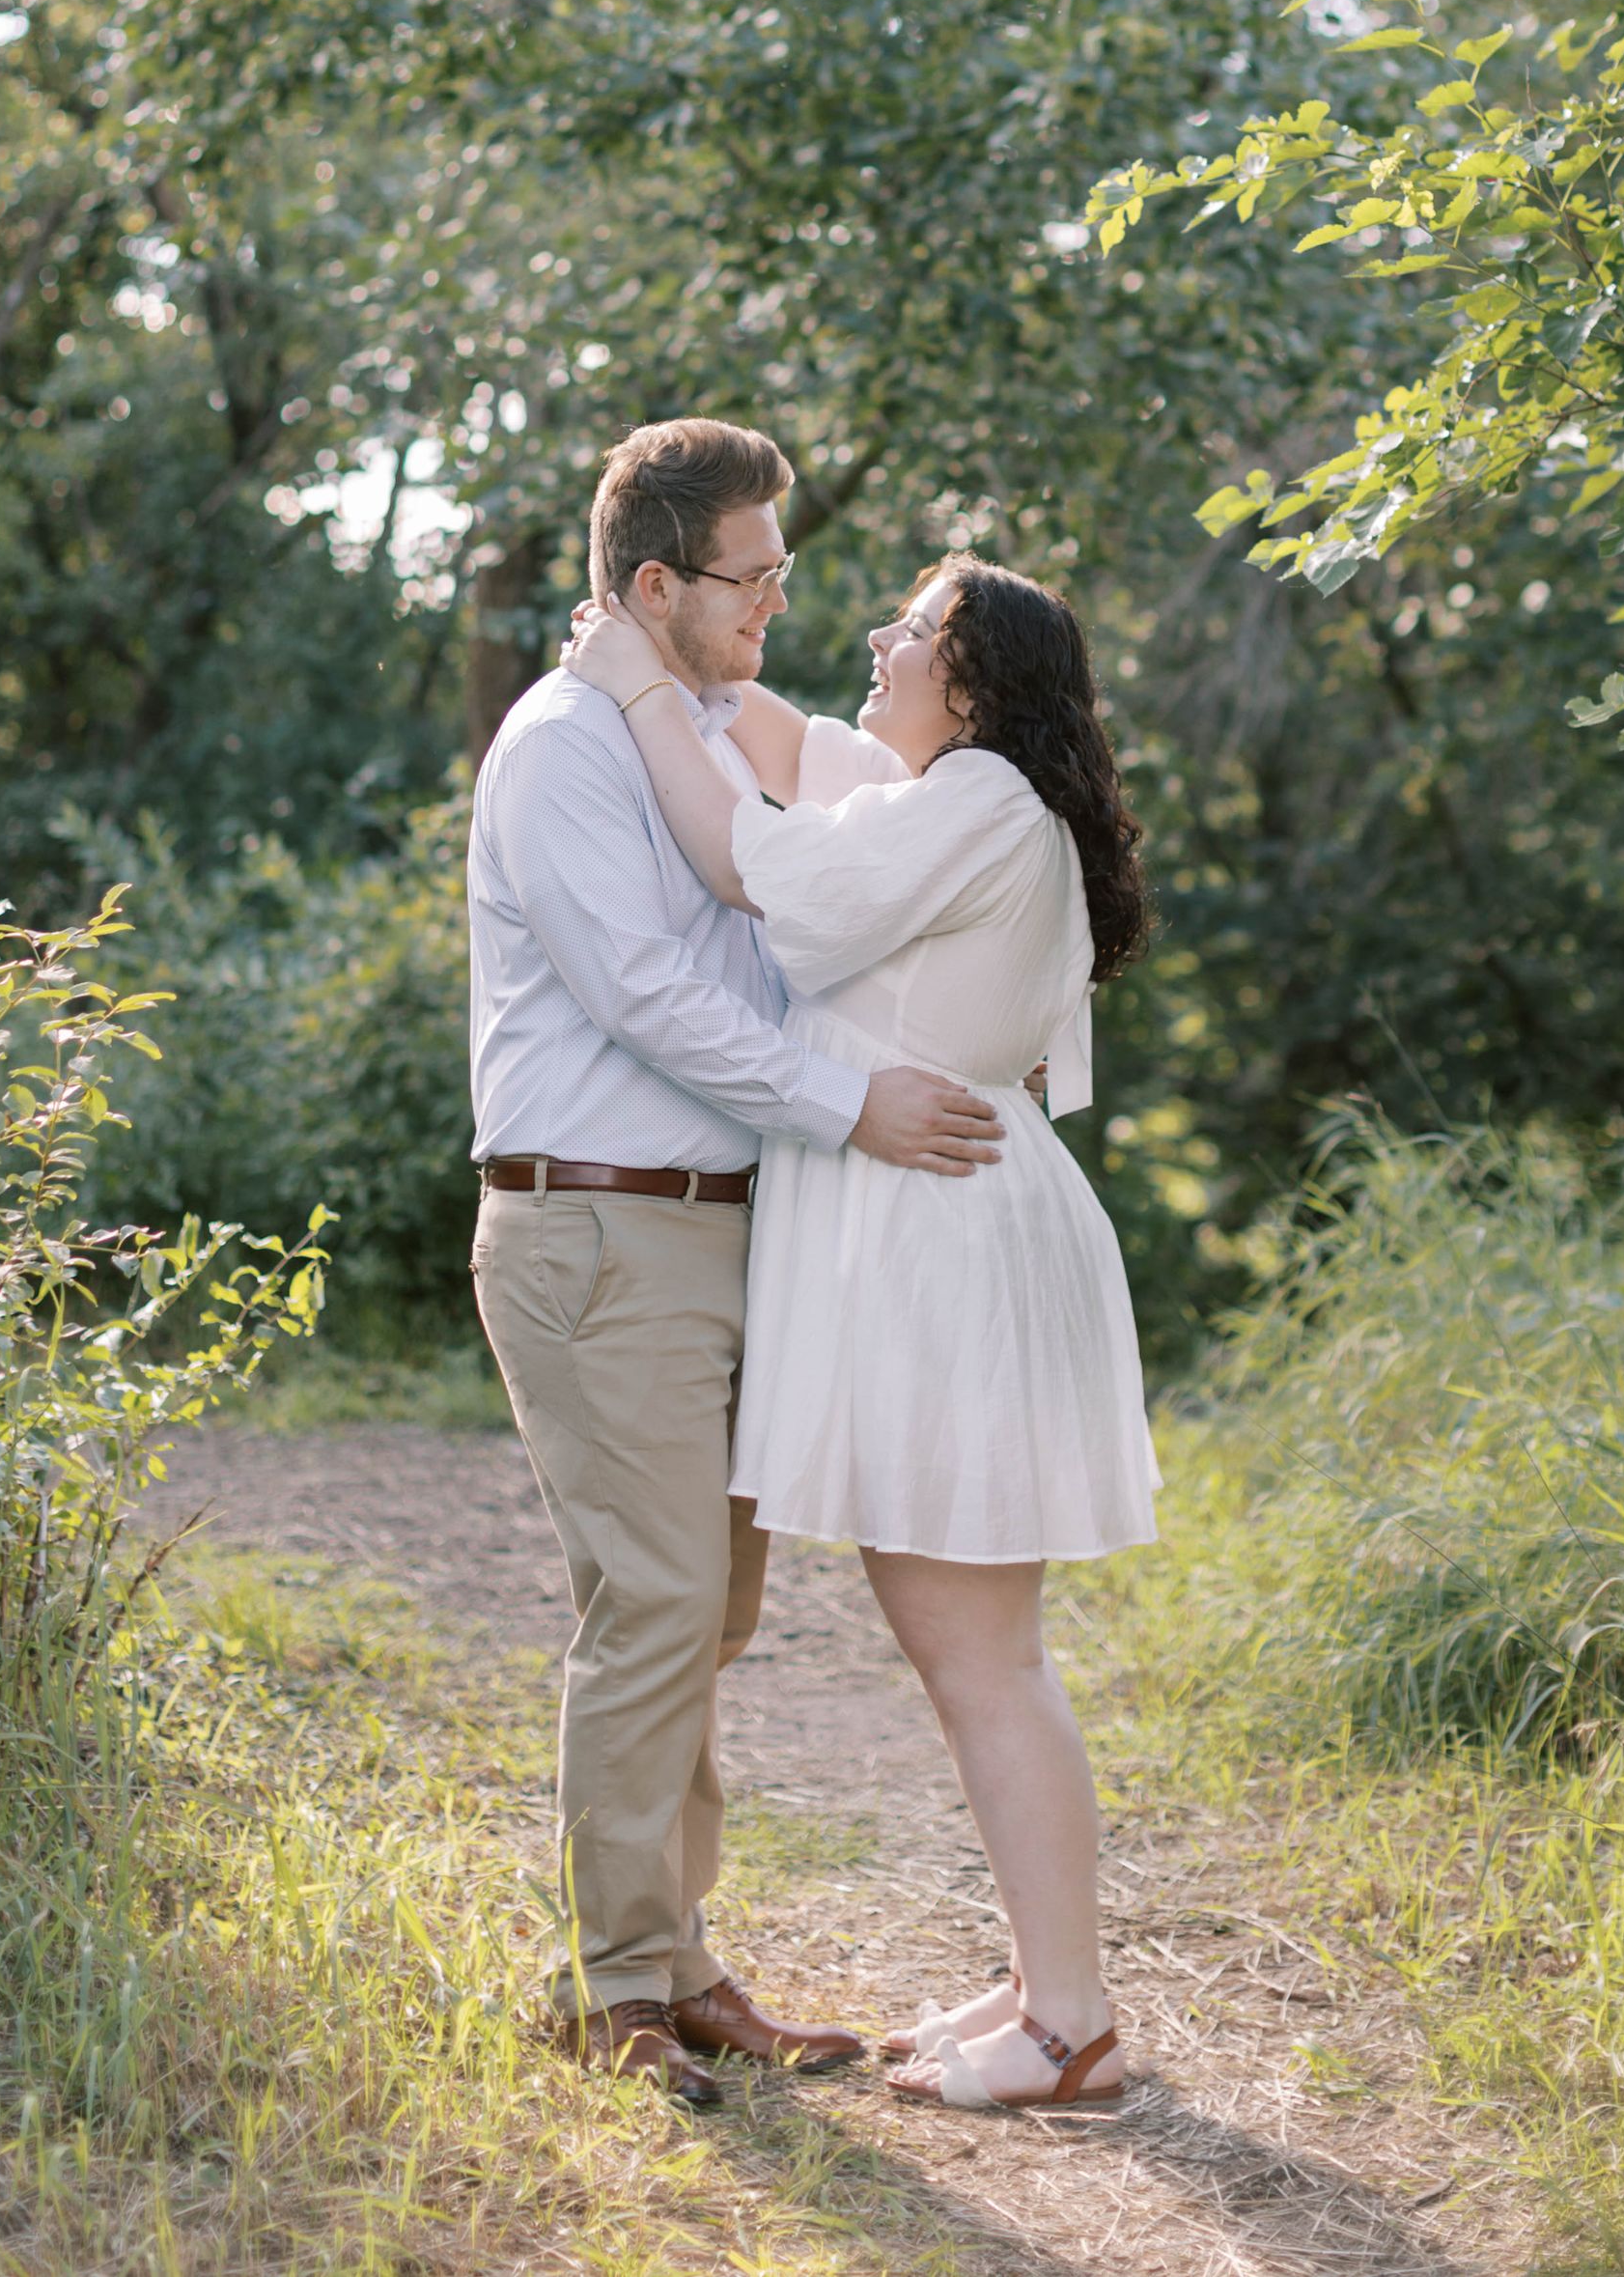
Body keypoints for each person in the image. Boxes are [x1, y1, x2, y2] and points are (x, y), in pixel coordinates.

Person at [564, 548, 1159, 2116]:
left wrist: (633, 689)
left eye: (914, 628)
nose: (880, 642)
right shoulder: (948, 804)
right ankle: (1049, 1984)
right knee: (971, 1647)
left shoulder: (972, 806)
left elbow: (753, 858)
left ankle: (1073, 2025)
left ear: (969, 684)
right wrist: (677, 659)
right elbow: (789, 741)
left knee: (981, 1654)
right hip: (946, 1235)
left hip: (946, 1247)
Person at [466, 419, 1008, 2110]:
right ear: (648, 584)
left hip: (719, 1227)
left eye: (781, 568)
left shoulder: (702, 732)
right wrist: (855, 1106)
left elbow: (800, 929)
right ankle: (615, 1985)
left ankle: (678, 1960)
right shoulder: (565, 742)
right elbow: (651, 993)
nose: (780, 595)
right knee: (655, 1603)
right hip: (599, 1220)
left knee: (714, 1604)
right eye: (750, 572)